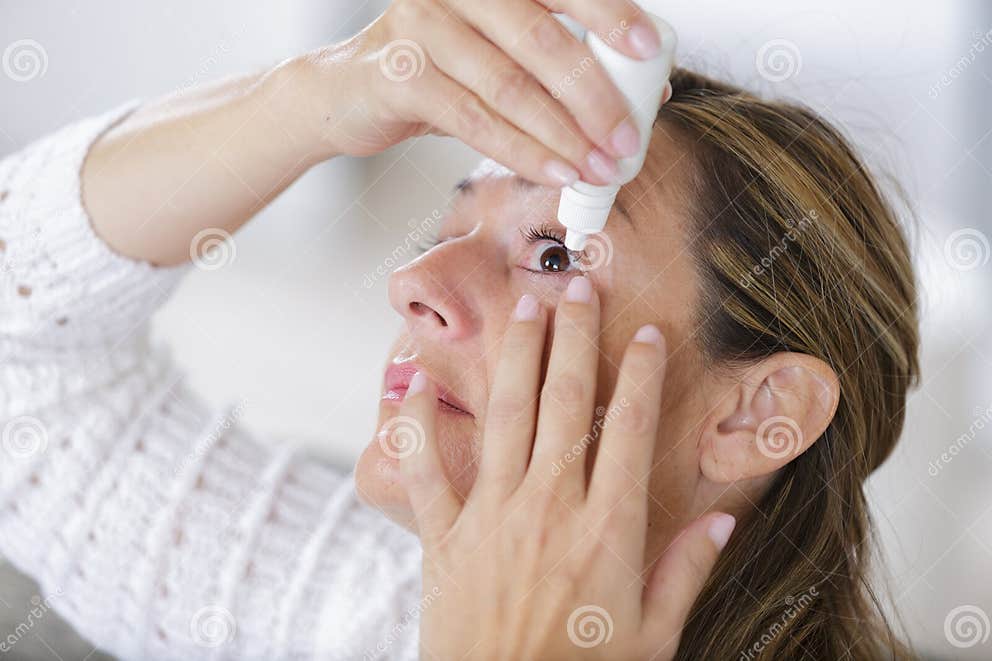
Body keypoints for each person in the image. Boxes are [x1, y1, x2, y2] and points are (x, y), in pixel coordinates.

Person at [0, 0, 919, 659]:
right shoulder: (367, 611)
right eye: (445, 232)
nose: (413, 282)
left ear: (756, 410)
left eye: (554, 253)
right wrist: (309, 101)